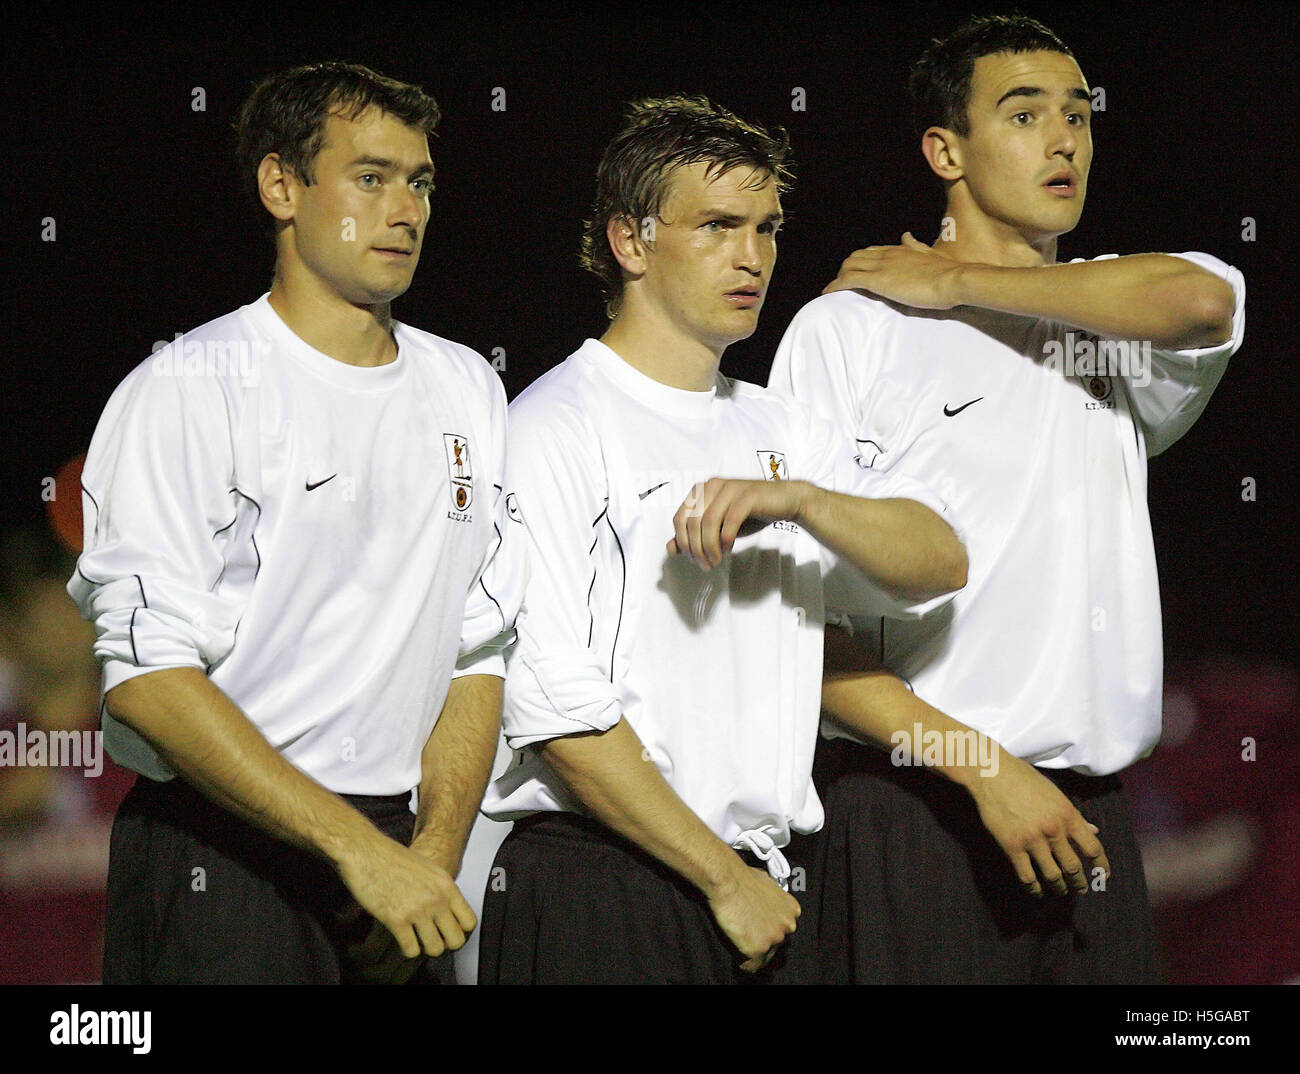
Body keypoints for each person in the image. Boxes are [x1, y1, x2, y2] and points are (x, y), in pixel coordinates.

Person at [768, 14, 1246, 983]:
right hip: (913, 808)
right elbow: (786, 620)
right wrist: (981, 768)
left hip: (1088, 820)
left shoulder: (1110, 321)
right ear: (944, 148)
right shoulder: (846, 331)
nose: (1064, 138)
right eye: (1023, 113)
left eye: (1078, 114)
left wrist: (955, 280)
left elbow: (1203, 301)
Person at [476, 96, 967, 985]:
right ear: (630, 241)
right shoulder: (554, 425)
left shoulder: (785, 431)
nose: (753, 256)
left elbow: (939, 560)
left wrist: (799, 500)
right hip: (609, 885)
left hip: (763, 888)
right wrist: (714, 875)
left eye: (768, 227)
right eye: (718, 225)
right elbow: (551, 704)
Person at [67, 62, 521, 984]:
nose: (407, 210)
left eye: (421, 182)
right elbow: (147, 676)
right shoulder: (188, 387)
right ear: (281, 186)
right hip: (224, 858)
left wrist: (430, 855)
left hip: (398, 866)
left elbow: (478, 646)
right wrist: (354, 847)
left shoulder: (468, 384)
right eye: (371, 177)